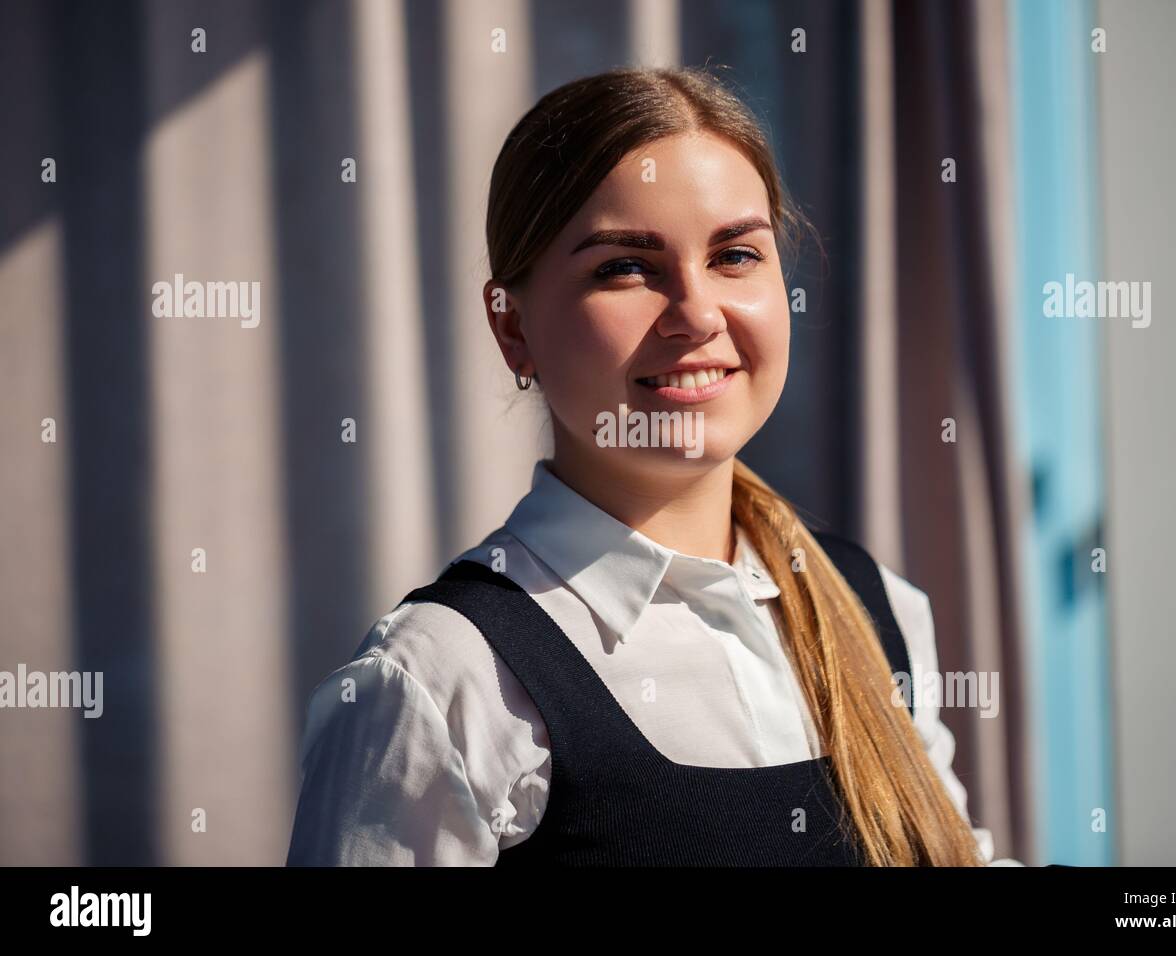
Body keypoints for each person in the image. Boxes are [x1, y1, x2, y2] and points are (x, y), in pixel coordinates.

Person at [286, 65, 1018, 867]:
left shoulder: (880, 611)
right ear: (512, 329)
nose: (698, 314)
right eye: (625, 268)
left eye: (735, 256)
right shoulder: (441, 681)